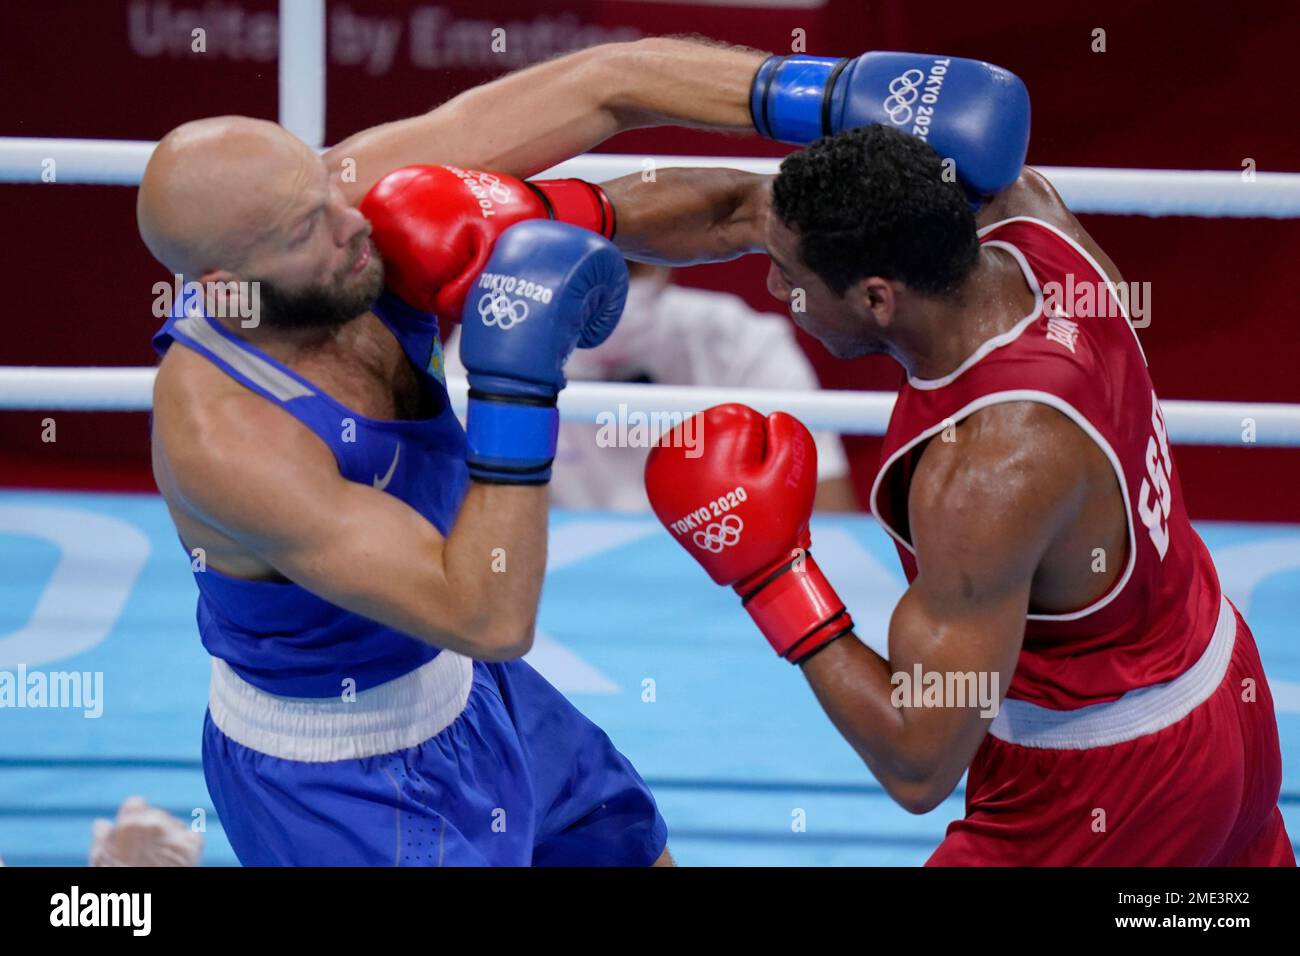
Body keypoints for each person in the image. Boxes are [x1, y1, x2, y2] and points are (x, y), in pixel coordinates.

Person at [137, 38, 1026, 866]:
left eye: (326, 185)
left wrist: (827, 105)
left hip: (471, 689)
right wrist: (516, 382)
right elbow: (486, 611)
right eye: (307, 228)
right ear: (224, 287)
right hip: (339, 780)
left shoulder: (350, 207)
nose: (351, 216)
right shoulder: (225, 434)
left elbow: (611, 83)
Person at [641, 111, 1293, 860]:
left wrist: (771, 575)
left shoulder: (981, 473)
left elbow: (919, 760)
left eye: (790, 280)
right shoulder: (1035, 226)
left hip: (1108, 787)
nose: (772, 285)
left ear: (877, 299)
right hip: (1218, 686)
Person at [445, 260, 856, 512]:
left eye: (631, 267)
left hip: (725, 590)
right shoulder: (488, 346)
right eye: (590, 276)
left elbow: (830, 516)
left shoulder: (741, 338)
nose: (612, 296)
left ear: (668, 262)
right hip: (548, 585)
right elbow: (452, 520)